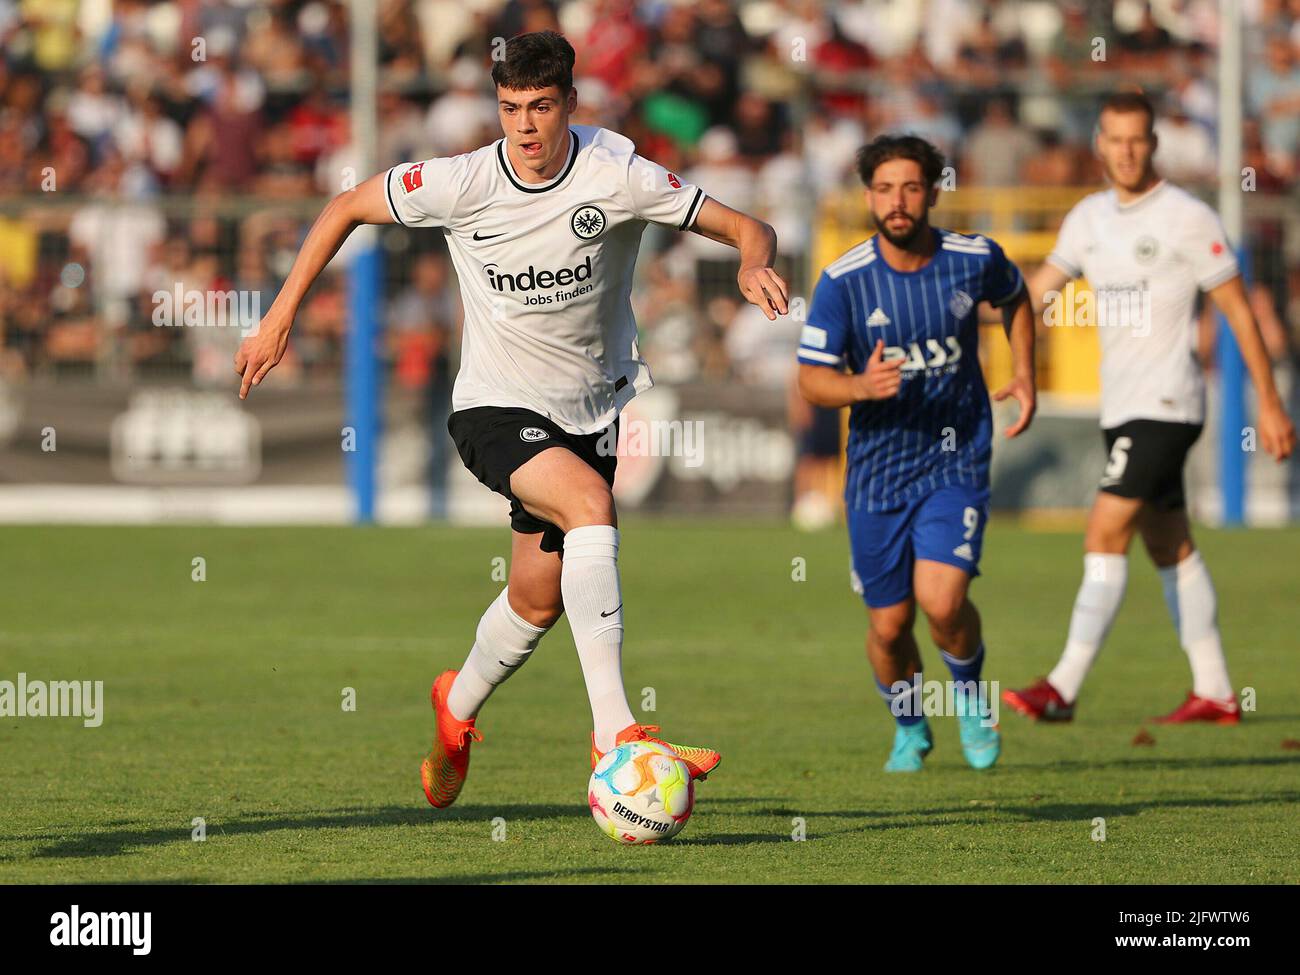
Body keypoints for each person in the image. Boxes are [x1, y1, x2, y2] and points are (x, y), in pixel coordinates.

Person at [234, 31, 789, 807]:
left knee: (536, 596)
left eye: (539, 107)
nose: (523, 127)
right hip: (494, 407)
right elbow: (346, 206)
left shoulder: (617, 174)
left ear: (570, 103)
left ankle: (455, 710)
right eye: (509, 109)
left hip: (591, 412)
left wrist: (752, 260)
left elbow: (745, 226)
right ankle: (616, 733)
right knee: (593, 508)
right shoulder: (461, 181)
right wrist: (279, 315)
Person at [1003, 92, 1296, 725]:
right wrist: (974, 305)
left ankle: (1062, 687)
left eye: (1138, 139)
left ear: (1153, 144)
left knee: (1104, 530)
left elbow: (1240, 313)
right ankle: (1216, 691)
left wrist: (1267, 403)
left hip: (1168, 403)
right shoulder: (1086, 219)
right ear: (1099, 145)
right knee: (1170, 545)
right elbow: (1036, 294)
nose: (1127, 151)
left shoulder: (1188, 217)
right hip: (1123, 406)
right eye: (1115, 140)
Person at [796, 134, 1036, 772]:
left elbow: (1016, 297)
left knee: (944, 601)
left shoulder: (972, 258)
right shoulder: (843, 282)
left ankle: (971, 702)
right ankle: (909, 725)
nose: (896, 202)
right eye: (882, 189)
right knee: (889, 627)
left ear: (932, 192)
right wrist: (859, 387)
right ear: (868, 196)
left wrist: (1026, 373)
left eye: (909, 187)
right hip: (876, 471)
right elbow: (812, 380)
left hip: (954, 459)